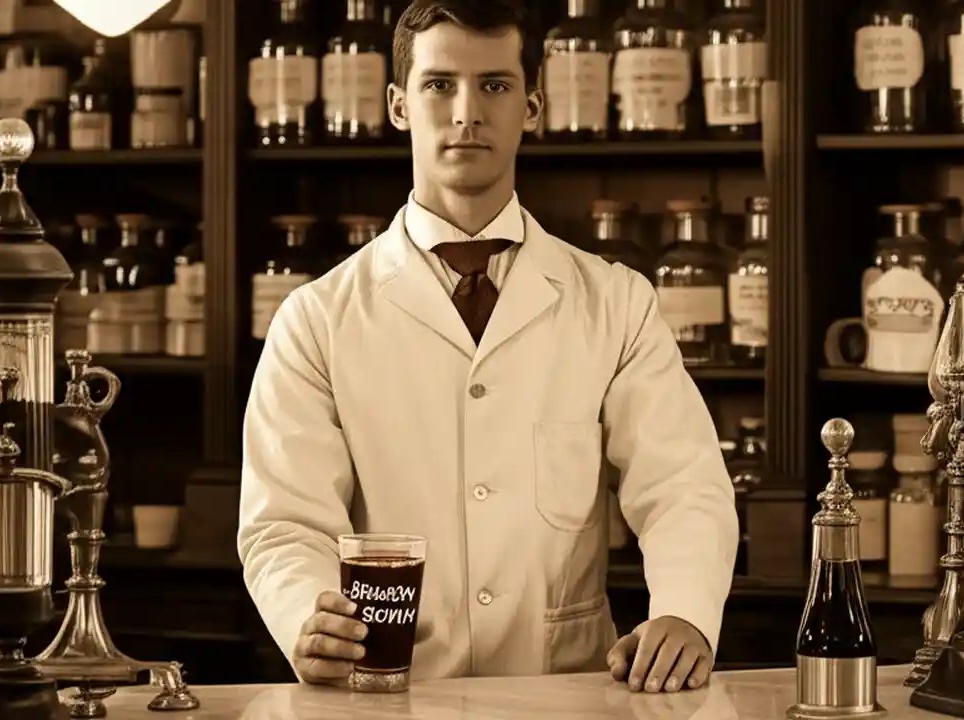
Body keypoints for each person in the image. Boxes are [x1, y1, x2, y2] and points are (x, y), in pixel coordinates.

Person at [237, 0, 738, 695]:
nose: (467, 112)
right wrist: (307, 617)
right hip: (384, 692)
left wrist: (686, 613)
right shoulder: (315, 319)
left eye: (495, 86)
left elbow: (682, 484)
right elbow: (285, 524)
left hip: (567, 695)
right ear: (397, 104)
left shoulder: (615, 302)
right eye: (439, 84)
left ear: (533, 105)